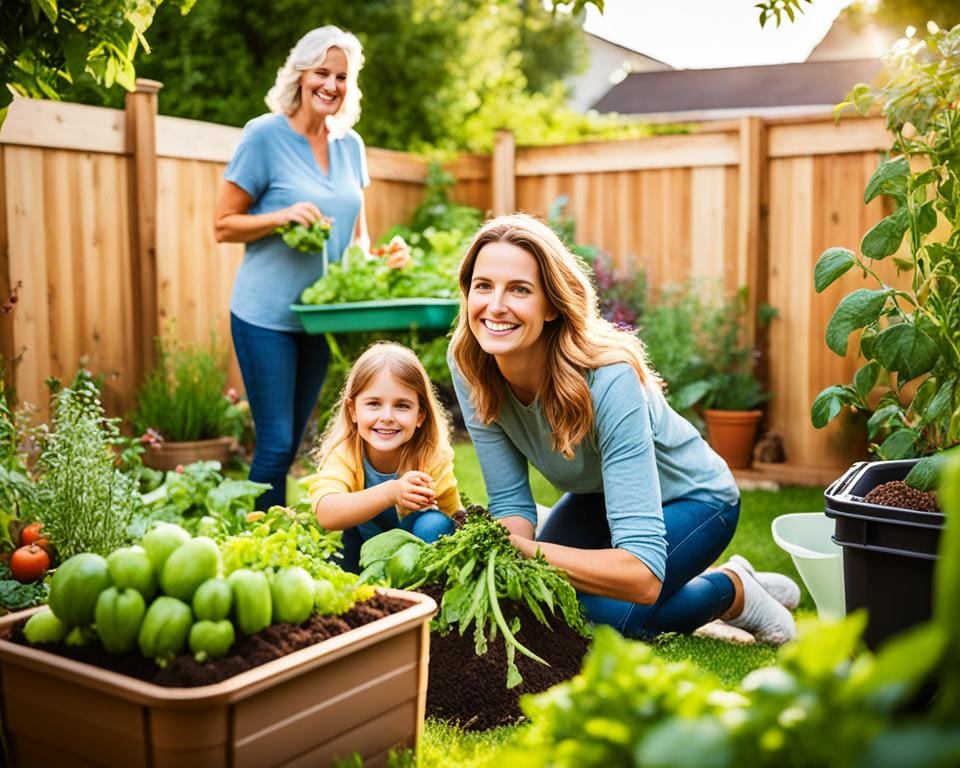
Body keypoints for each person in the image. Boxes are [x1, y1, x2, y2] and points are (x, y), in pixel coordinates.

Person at [448, 213, 798, 644]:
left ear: (553, 305)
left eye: (519, 289)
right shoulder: (470, 363)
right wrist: (506, 562)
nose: (495, 306)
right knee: (546, 605)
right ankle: (710, 579)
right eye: (483, 286)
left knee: (605, 619)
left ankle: (732, 589)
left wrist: (526, 552)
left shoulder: (609, 379)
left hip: (695, 497)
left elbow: (642, 575)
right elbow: (510, 503)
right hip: (597, 497)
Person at [214, 26, 370, 509]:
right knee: (277, 443)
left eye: (341, 76)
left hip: (319, 319)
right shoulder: (264, 135)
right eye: (322, 72)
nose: (331, 84)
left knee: (294, 444)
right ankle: (260, 554)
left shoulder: (351, 146)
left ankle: (278, 541)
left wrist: (382, 258)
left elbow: (359, 236)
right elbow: (222, 224)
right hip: (265, 317)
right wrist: (281, 216)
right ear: (301, 75)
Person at [309, 342, 461, 573]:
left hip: (410, 558)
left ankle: (425, 593)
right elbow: (326, 513)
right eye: (374, 404)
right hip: (360, 552)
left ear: (420, 415)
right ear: (353, 411)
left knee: (435, 524)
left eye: (402, 406)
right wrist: (392, 492)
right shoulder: (346, 453)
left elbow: (455, 518)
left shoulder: (429, 458)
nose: (387, 417)